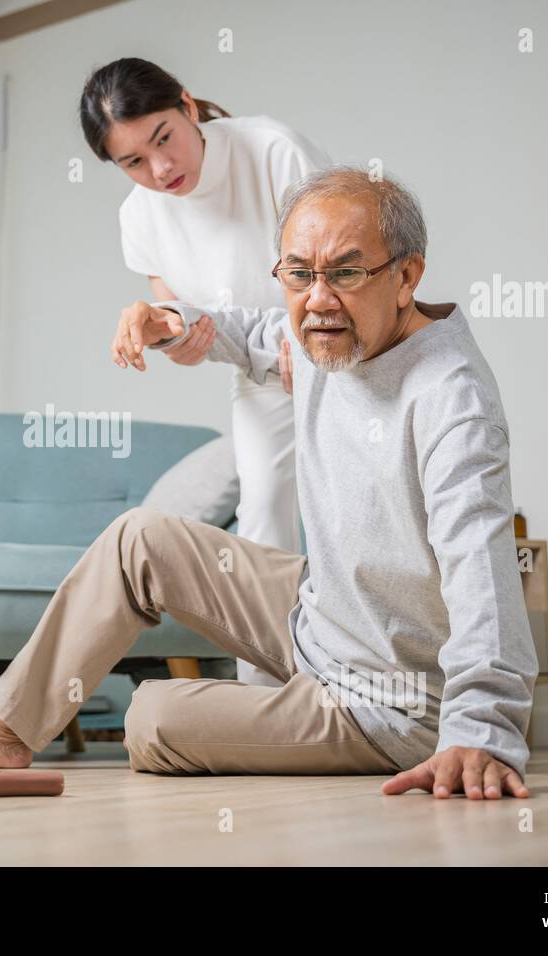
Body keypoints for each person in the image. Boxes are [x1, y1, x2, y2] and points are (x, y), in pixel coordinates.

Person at [0, 168, 538, 799]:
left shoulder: (452, 399)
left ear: (407, 276)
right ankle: (4, 728)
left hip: (392, 700)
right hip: (321, 614)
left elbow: (483, 573)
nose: (317, 298)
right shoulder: (322, 329)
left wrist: (479, 729)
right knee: (138, 540)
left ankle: (340, 720)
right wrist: (172, 321)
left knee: (151, 720)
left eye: (346, 272)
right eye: (297, 273)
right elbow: (254, 331)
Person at [83, 57, 330, 688]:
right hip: (261, 369)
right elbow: (194, 319)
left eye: (162, 138)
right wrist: (170, 330)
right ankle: (268, 696)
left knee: (351, 514)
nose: (159, 170)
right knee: (263, 520)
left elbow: (338, 263)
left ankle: (377, 690)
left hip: (343, 355)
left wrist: (311, 340)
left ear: (188, 107)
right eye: (133, 162)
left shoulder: (272, 150)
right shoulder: (139, 220)